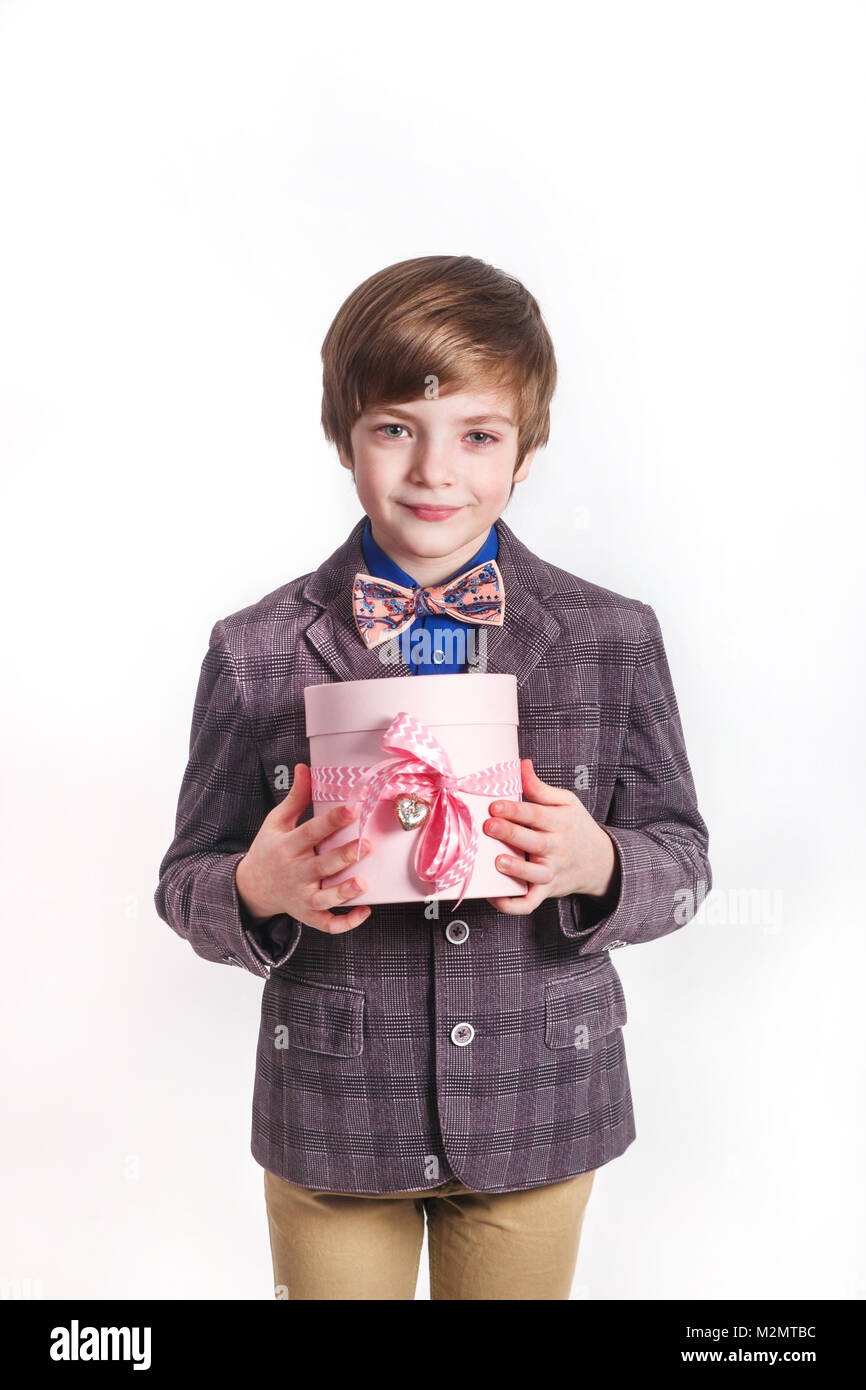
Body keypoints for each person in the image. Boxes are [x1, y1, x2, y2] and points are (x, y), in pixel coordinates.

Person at [154, 254, 712, 1300]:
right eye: (394, 428)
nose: (432, 471)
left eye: (477, 434)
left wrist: (599, 861)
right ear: (341, 436)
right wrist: (252, 889)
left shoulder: (610, 637)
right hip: (333, 1116)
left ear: (527, 449)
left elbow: (685, 858)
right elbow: (183, 877)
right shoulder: (256, 648)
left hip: (539, 1101)